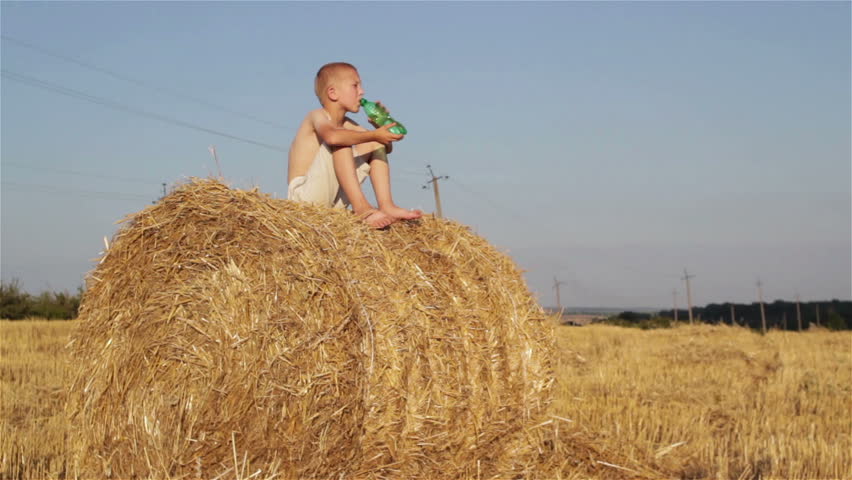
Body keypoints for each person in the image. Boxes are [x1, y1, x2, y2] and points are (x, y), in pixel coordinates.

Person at [287, 62, 422, 228]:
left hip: (330, 204)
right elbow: (332, 136)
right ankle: (362, 208)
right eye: (355, 85)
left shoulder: (347, 124)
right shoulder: (316, 116)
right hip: (304, 199)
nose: (362, 91)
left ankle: (387, 205)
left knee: (371, 142)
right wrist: (374, 135)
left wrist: (381, 129)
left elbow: (383, 146)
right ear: (333, 93)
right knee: (342, 140)